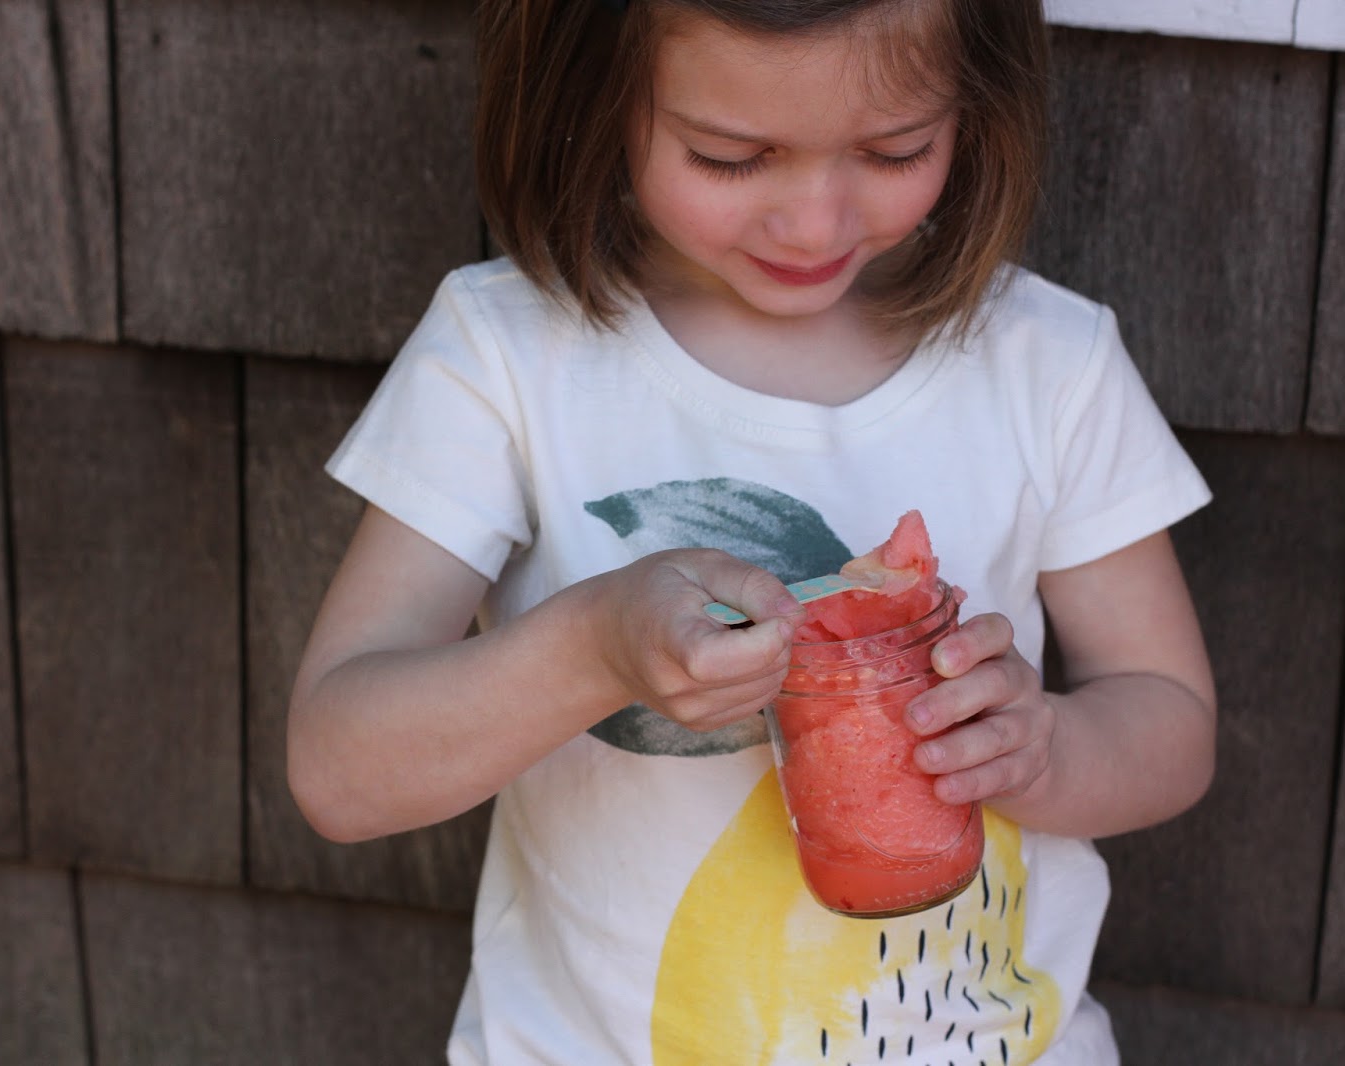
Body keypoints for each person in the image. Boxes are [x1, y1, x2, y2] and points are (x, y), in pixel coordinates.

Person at [288, 0, 1217, 1062]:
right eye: (728, 157)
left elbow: (1172, 722)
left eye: (894, 148)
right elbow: (337, 769)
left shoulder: (1047, 367)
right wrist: (592, 647)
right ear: (595, 95)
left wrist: (1043, 749)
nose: (814, 223)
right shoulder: (507, 357)